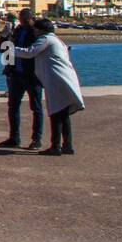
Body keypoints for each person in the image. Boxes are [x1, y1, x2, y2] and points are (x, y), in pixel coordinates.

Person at [12, 18, 84, 156]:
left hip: (56, 79)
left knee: (56, 113)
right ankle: (67, 145)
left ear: (40, 30)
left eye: (35, 30)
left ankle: (55, 146)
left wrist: (11, 49)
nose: (34, 32)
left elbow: (29, 52)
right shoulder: (57, 40)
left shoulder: (45, 39)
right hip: (64, 78)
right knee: (63, 114)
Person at [0, 9, 45, 149]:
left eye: (25, 19)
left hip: (32, 75)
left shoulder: (37, 33)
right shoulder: (17, 31)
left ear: (32, 18)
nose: (23, 22)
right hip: (16, 73)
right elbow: (2, 49)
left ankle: (36, 139)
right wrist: (4, 36)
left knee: (36, 107)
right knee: (13, 106)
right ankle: (14, 137)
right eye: (21, 19)